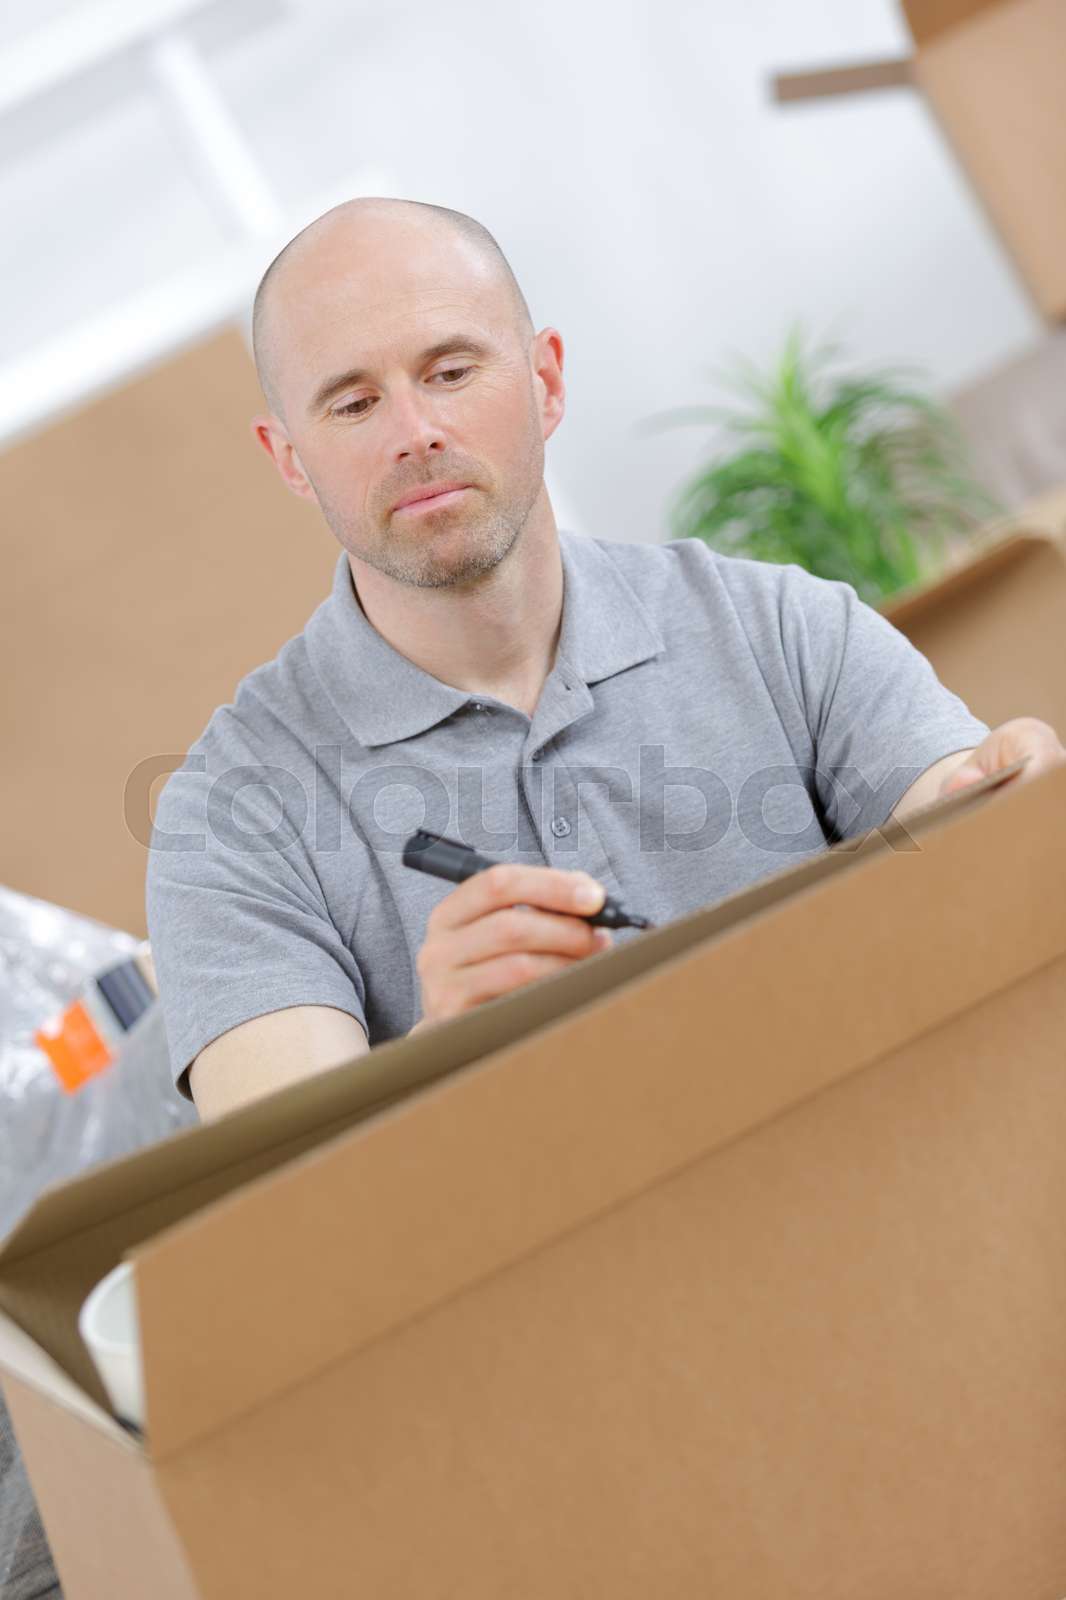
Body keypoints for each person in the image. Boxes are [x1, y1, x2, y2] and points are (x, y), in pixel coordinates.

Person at [146, 196, 1065, 1124]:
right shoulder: (230, 812)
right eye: (353, 403)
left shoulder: (782, 627)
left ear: (546, 382)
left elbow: (964, 842)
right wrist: (441, 1056)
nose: (414, 431)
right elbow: (282, 1195)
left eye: (451, 370)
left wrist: (1008, 805)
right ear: (290, 459)